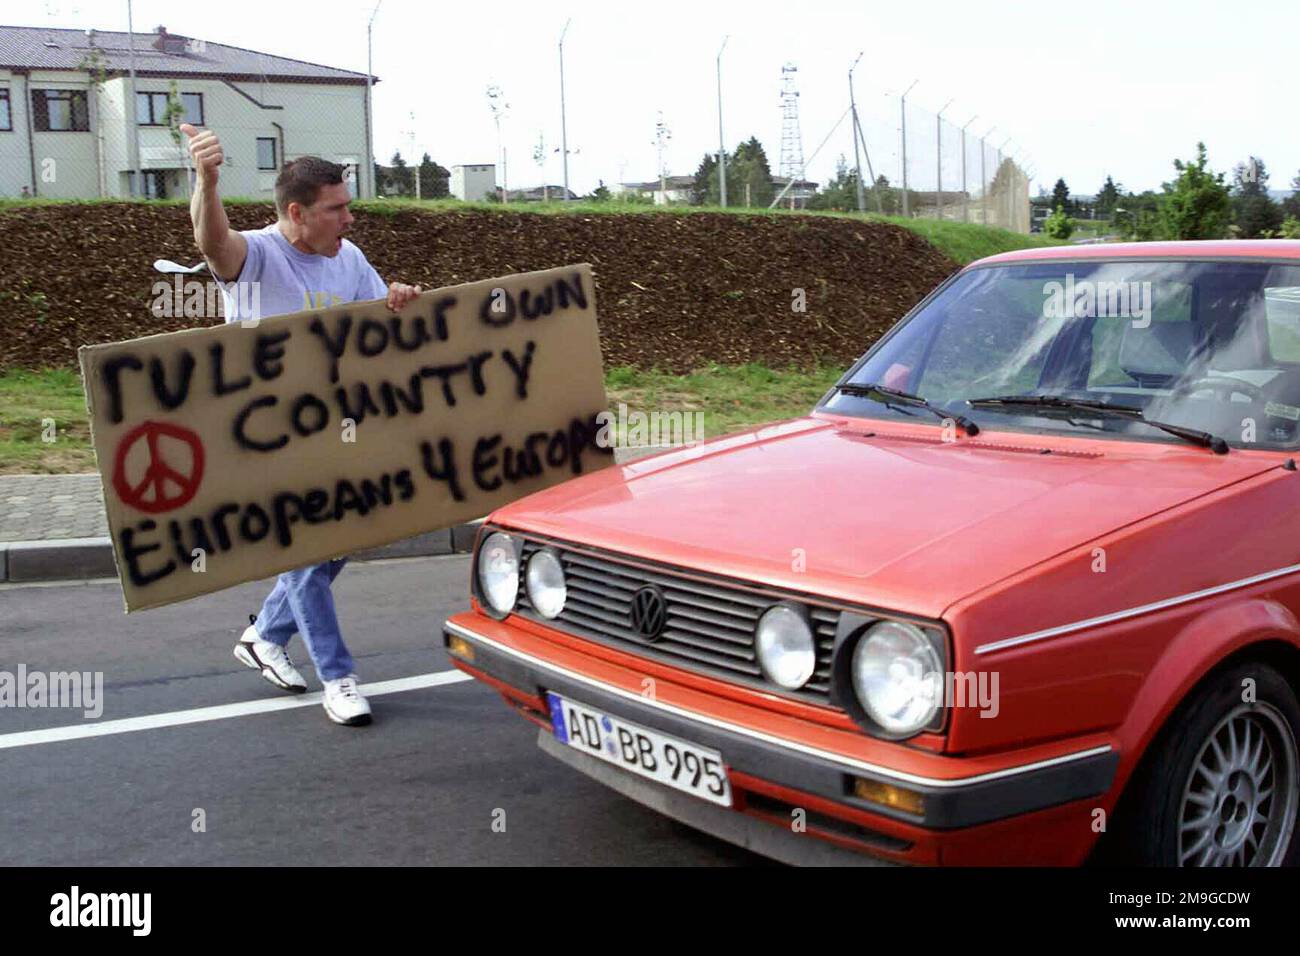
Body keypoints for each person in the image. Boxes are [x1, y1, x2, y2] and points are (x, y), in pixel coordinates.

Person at [181, 122, 421, 726]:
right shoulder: (258, 255)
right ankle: (338, 679)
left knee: (336, 543)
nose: (350, 219)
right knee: (308, 547)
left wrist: (397, 300)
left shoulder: (351, 259)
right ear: (297, 212)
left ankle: (264, 634)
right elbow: (214, 244)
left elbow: (374, 323)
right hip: (268, 438)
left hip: (335, 429)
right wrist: (206, 182)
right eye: (337, 209)